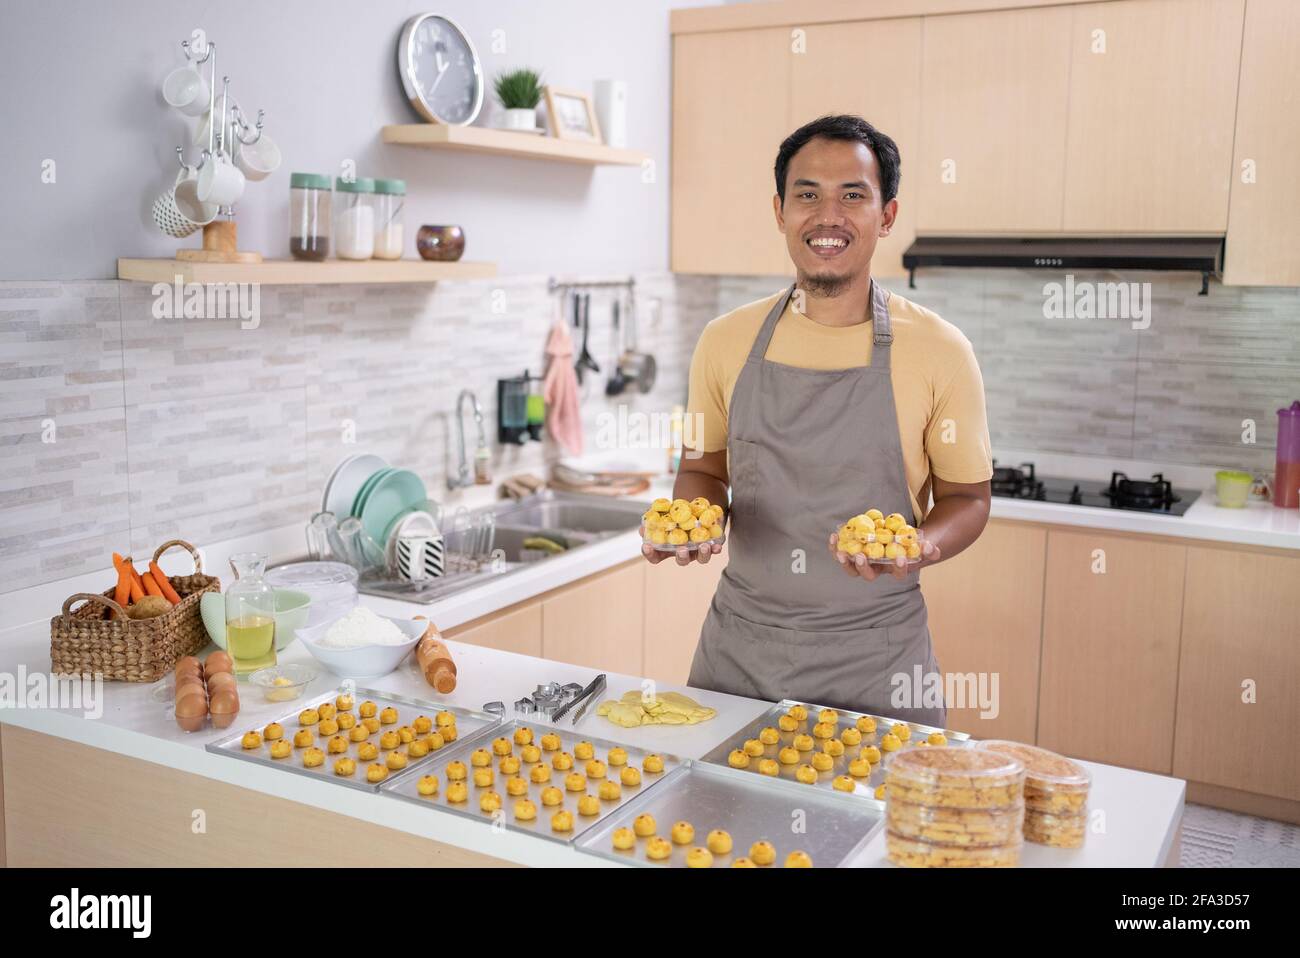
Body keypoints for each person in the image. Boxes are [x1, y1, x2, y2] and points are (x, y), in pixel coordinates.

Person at [642, 114, 993, 725]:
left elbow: (968, 497)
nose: (827, 216)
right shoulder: (724, 341)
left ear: (886, 215)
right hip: (739, 655)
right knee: (714, 820)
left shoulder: (941, 350)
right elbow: (701, 467)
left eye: (852, 196)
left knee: (887, 821)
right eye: (807, 194)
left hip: (880, 659)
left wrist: (919, 546)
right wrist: (694, 523)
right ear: (780, 210)